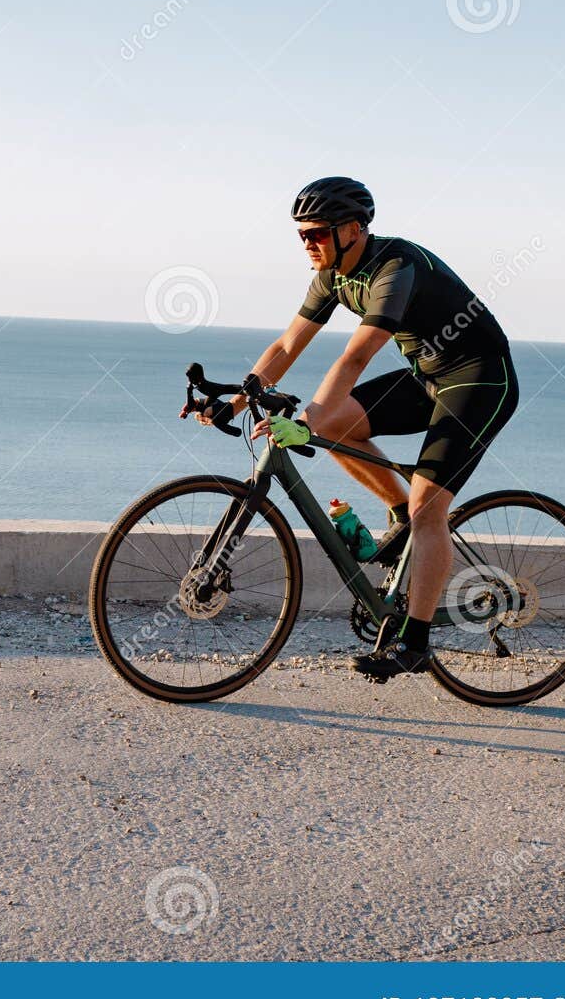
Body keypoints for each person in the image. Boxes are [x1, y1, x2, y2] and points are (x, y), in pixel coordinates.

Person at [200, 176, 518, 681]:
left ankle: (414, 644)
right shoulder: (330, 276)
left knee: (427, 505)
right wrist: (236, 403)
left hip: (480, 378)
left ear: (353, 230)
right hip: (427, 377)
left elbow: (358, 354)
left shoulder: (395, 267)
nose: (308, 244)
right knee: (339, 429)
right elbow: (286, 347)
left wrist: (306, 421)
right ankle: (397, 520)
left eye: (318, 234)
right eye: (302, 235)